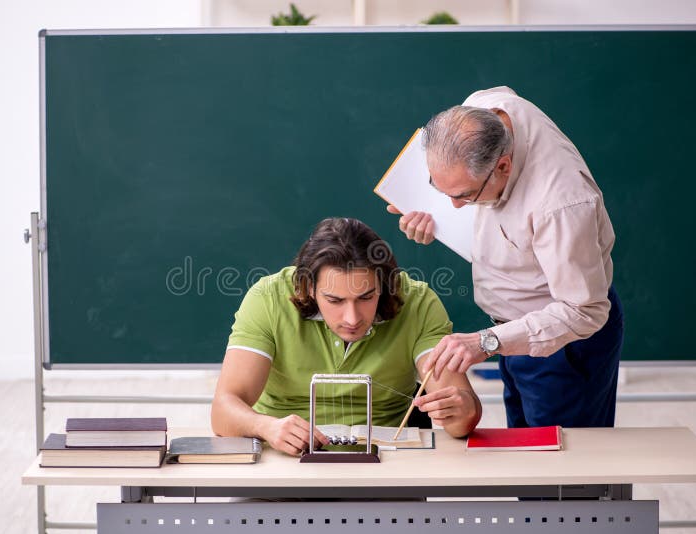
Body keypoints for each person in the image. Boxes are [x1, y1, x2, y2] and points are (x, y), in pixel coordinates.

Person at [389, 86, 623, 429]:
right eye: (442, 191)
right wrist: (433, 212)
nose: (454, 205)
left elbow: (585, 310)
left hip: (563, 344)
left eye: (465, 195)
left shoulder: (562, 205)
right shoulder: (488, 109)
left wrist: (488, 341)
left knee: (560, 468)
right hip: (513, 337)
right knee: (524, 457)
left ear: (503, 165)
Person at [211, 217, 481, 456]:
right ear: (308, 288)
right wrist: (266, 426)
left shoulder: (418, 302)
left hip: (386, 467)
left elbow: (460, 420)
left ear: (384, 286)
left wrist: (463, 411)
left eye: (365, 297)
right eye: (335, 300)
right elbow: (223, 411)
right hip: (285, 460)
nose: (352, 318)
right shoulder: (267, 299)